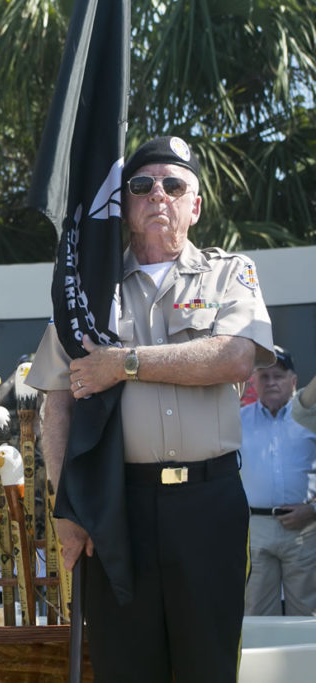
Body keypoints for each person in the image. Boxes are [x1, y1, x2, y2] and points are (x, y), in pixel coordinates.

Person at [27, 136, 275, 682]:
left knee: (207, 667)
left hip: (207, 507)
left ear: (196, 204)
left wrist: (125, 364)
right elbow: (59, 403)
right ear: (124, 203)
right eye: (142, 186)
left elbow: (234, 357)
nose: (158, 195)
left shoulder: (229, 272)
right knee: (126, 669)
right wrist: (67, 508)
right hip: (119, 508)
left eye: (174, 185)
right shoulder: (87, 291)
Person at [239, 346, 316, 615]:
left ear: (293, 381)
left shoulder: (310, 419)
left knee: (307, 614)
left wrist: (313, 509)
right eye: (264, 376)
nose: (271, 382)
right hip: (255, 529)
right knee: (257, 613)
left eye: (279, 376)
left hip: (304, 528)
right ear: (254, 383)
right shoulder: (237, 421)